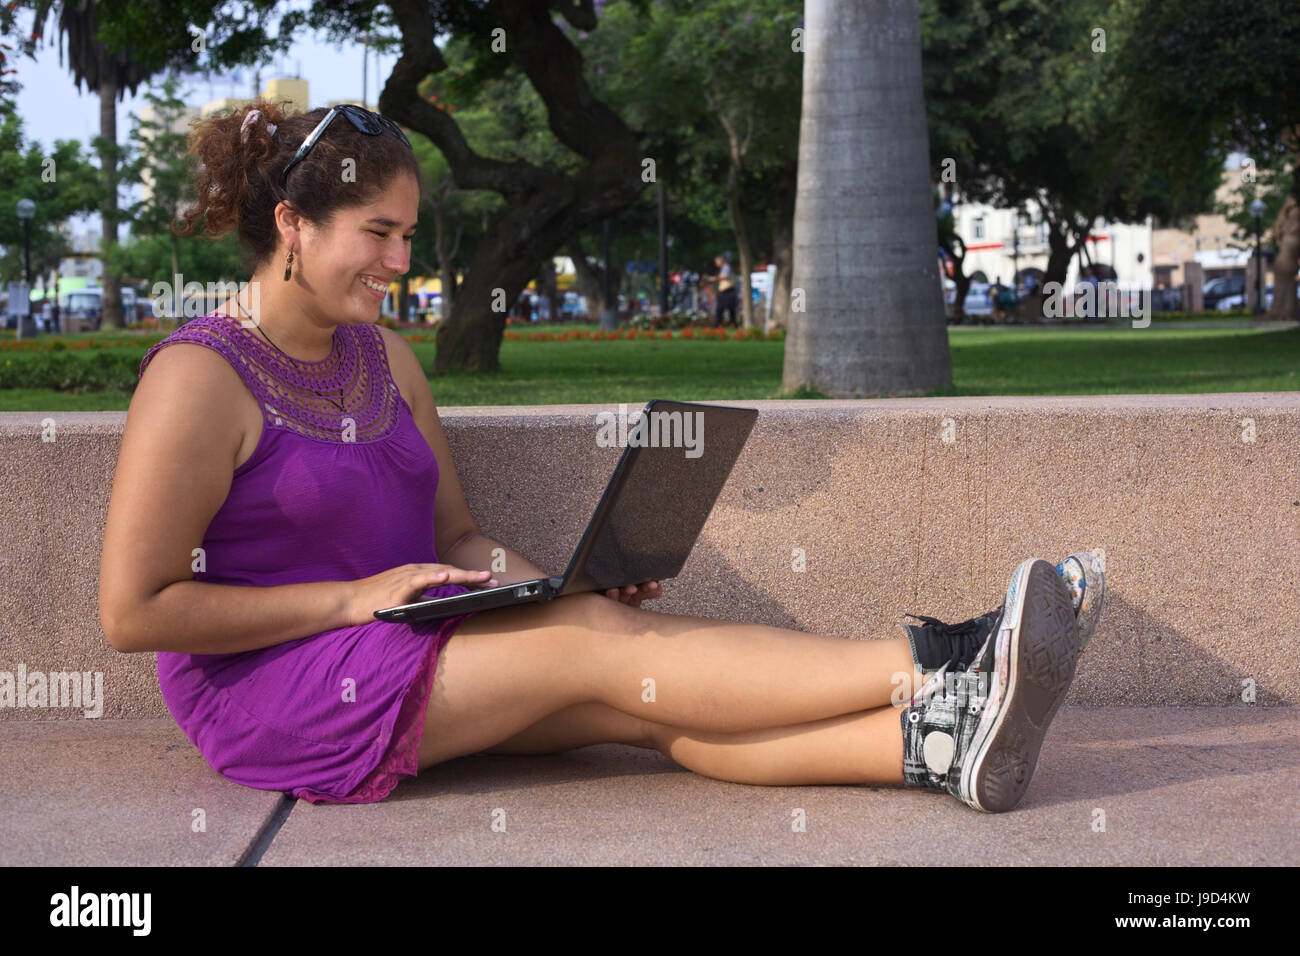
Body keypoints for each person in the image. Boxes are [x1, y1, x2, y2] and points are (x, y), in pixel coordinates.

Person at [98, 99, 1106, 813]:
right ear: (290, 225)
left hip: (408, 636)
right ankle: (949, 657)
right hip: (277, 684)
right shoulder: (199, 377)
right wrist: (349, 597)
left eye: (409, 234)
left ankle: (933, 746)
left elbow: (455, 535)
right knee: (599, 657)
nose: (403, 264)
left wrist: (547, 588)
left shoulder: (386, 360)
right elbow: (133, 608)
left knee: (628, 692)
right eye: (377, 233)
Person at [709, 254, 738, 328]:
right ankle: (726, 324)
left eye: (716, 262)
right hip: (724, 291)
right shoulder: (723, 268)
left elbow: (725, 276)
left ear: (720, 261)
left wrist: (714, 278)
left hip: (728, 291)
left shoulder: (726, 267)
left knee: (724, 309)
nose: (716, 264)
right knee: (724, 309)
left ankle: (723, 324)